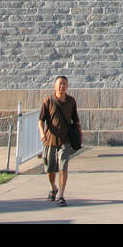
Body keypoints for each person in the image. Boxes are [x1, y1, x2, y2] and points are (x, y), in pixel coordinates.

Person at [38, 75, 80, 206]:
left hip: (65, 139)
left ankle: (61, 195)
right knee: (50, 168)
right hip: (50, 139)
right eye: (60, 84)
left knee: (63, 167)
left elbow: (76, 120)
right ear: (54, 86)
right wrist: (41, 133)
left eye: (65, 84)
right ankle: (53, 187)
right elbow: (41, 120)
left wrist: (79, 134)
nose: (62, 86)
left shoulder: (71, 101)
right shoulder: (48, 101)